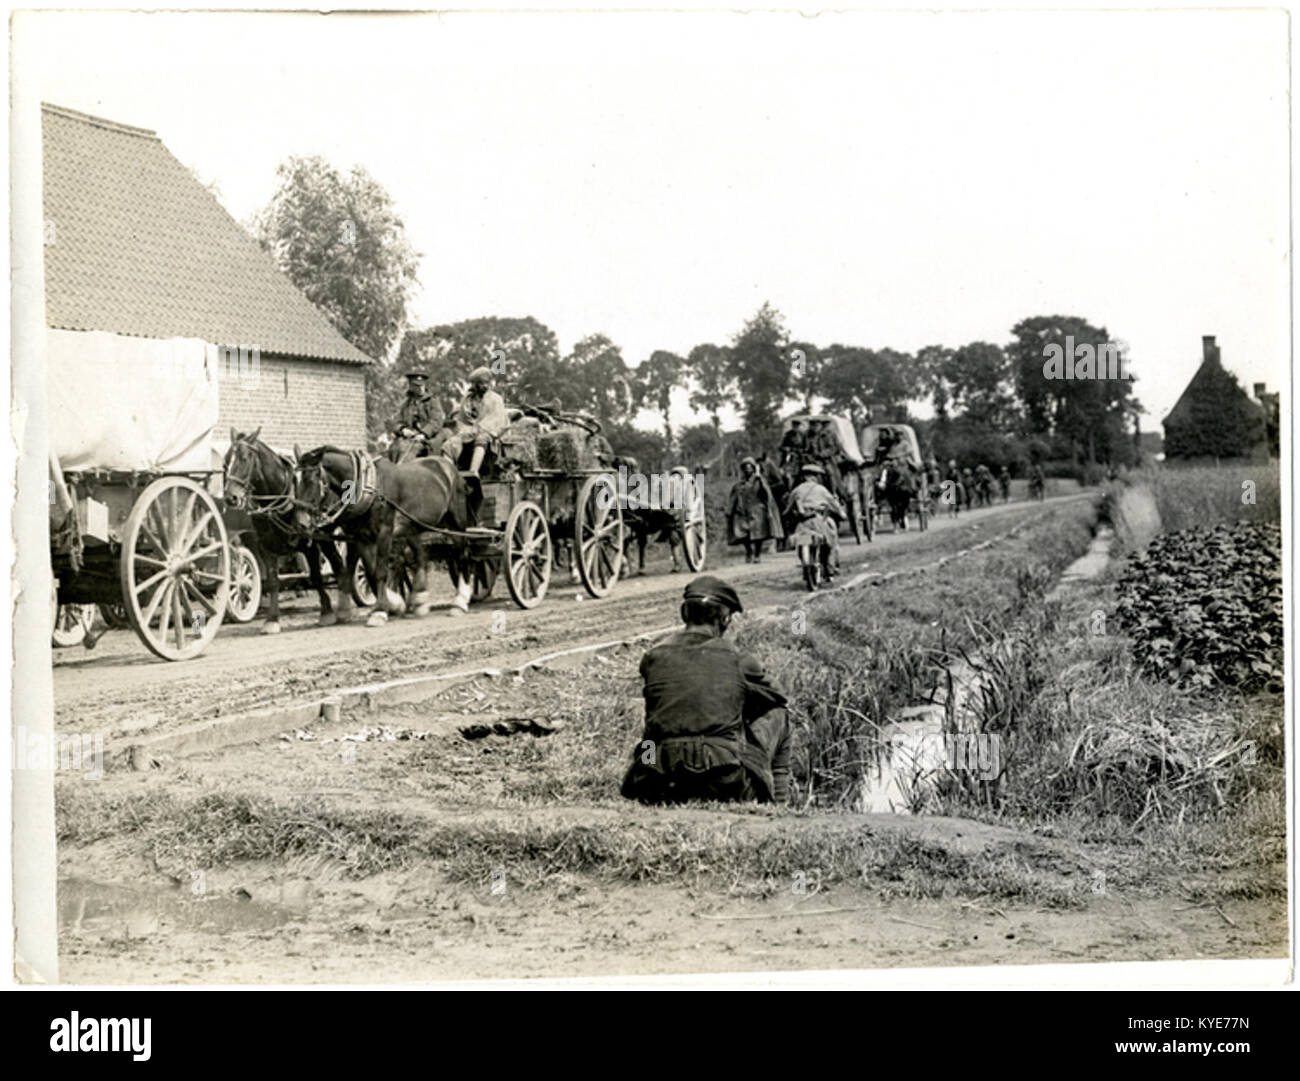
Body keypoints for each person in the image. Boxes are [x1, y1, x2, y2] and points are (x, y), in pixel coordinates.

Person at [620, 576, 791, 805]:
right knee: (780, 715)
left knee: (652, 730)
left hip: (660, 777)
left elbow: (653, 724)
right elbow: (777, 697)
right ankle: (780, 805)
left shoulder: (654, 657)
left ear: (684, 614)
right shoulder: (738, 659)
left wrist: (644, 768)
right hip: (724, 778)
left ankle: (644, 782)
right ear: (725, 619)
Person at [439, 366, 509, 475]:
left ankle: (473, 472)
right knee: (450, 444)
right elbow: (461, 421)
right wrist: (464, 431)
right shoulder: (467, 400)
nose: (484, 386)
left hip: (489, 437)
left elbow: (499, 422)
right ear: (475, 384)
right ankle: (449, 474)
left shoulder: (496, 399)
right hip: (468, 433)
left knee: (481, 439)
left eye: (487, 383)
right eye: (481, 383)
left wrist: (482, 430)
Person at [784, 462, 845, 580]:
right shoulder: (821, 489)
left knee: (800, 543)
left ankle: (805, 569)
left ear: (804, 477)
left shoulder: (796, 490)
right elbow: (834, 505)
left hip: (802, 523)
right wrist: (842, 514)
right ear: (814, 476)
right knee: (830, 542)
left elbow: (787, 509)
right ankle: (829, 570)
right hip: (819, 521)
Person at [727, 457, 784, 563]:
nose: (748, 470)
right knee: (742, 533)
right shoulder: (740, 484)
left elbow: (766, 494)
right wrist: (729, 511)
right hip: (743, 511)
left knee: (758, 534)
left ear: (753, 469)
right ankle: (749, 551)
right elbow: (734, 496)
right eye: (745, 468)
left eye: (750, 468)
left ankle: (757, 554)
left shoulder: (760, 481)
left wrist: (759, 478)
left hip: (757, 509)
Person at [395, 372, 443, 443]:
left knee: (415, 449)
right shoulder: (406, 404)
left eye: (422, 385)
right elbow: (397, 421)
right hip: (409, 438)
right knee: (395, 448)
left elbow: (436, 422)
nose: (420, 388)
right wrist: (403, 429)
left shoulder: (432, 402)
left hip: (428, 438)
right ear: (411, 386)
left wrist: (424, 434)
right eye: (417, 385)